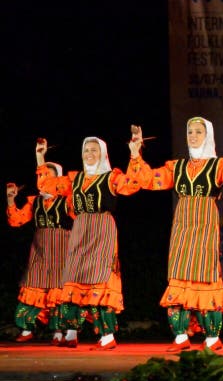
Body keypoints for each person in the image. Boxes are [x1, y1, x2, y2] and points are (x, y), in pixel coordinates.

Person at [127, 116, 223, 352]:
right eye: (190, 132)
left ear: (208, 136)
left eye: (198, 132)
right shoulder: (177, 167)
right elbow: (147, 179)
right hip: (182, 225)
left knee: (205, 275)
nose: (193, 136)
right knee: (179, 276)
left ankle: (212, 338)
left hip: (205, 224)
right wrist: (136, 152)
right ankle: (180, 336)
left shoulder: (218, 166)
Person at [35, 135, 142, 350]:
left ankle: (107, 335)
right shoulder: (75, 179)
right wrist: (40, 157)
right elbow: (47, 185)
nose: (89, 154)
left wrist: (134, 152)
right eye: (86, 150)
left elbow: (134, 184)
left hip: (102, 228)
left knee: (99, 279)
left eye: (94, 150)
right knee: (73, 277)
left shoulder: (111, 177)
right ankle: (71, 333)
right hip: (81, 228)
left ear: (103, 154)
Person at [6, 163, 73, 345]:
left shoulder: (67, 200)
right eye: (41, 175)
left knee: (58, 288)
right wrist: (11, 200)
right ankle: (26, 329)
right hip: (40, 246)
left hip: (62, 245)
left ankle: (59, 332)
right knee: (32, 284)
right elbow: (16, 221)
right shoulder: (35, 201)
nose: (44, 179)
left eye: (49, 175)